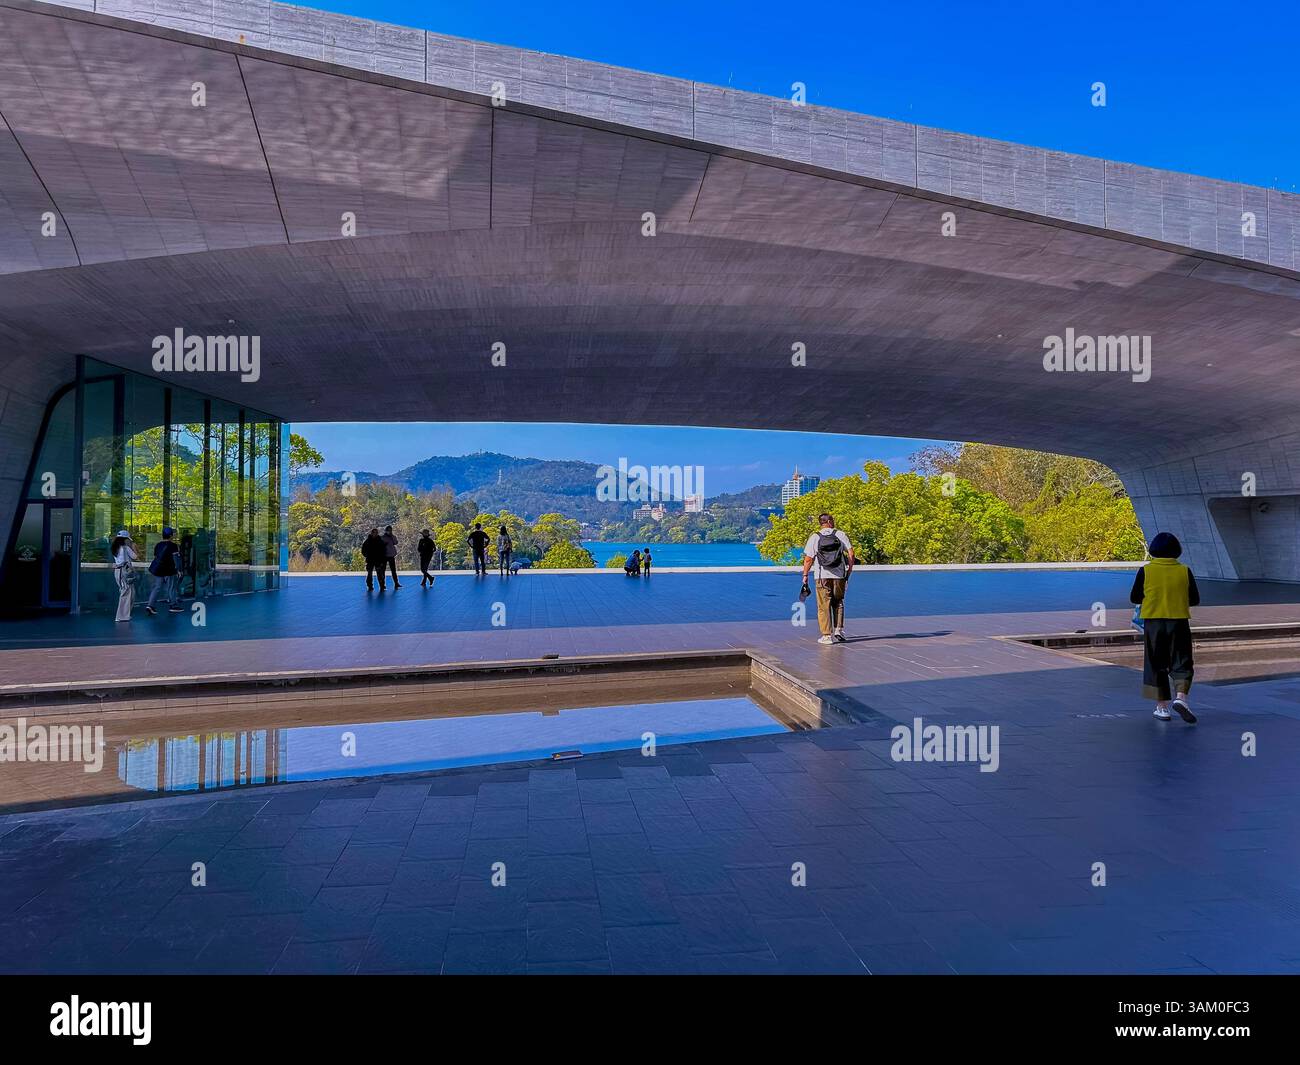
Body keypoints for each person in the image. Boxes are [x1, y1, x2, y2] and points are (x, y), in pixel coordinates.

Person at [1130, 532, 1199, 723]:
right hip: (1179, 622)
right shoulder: (1184, 570)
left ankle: (1162, 708)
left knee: (1155, 664)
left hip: (1154, 623)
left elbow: (1135, 597)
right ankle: (1181, 698)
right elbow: (1195, 599)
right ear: (1176, 550)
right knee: (1182, 661)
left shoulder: (1146, 571)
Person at [801, 512, 854, 644]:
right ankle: (838, 630)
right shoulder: (840, 534)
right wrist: (849, 571)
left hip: (821, 576)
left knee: (823, 606)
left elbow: (808, 559)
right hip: (839, 575)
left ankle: (826, 636)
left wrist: (805, 575)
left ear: (821, 523)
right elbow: (851, 554)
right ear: (829, 521)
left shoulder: (815, 537)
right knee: (838, 601)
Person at [145, 526, 183, 615]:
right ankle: (173, 605)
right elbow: (176, 559)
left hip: (158, 570)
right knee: (171, 587)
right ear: (171, 535)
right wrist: (179, 570)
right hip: (169, 570)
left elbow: (156, 556)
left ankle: (150, 605)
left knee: (157, 587)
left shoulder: (158, 545)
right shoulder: (173, 546)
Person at [111, 530, 137, 622]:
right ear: (125, 539)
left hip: (118, 571)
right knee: (126, 593)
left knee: (128, 592)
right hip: (124, 572)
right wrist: (133, 547)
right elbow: (135, 557)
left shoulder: (115, 548)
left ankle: (125, 614)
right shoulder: (125, 548)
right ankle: (121, 616)